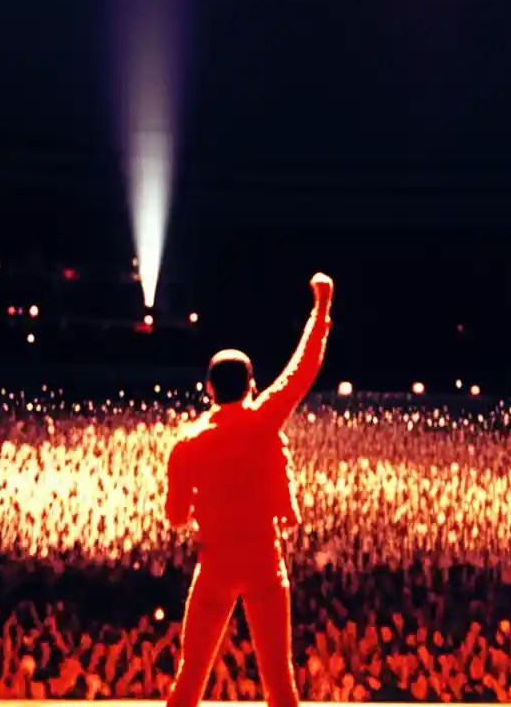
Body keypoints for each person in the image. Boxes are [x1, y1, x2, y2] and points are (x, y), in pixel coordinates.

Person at [163, 272, 335, 707]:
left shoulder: (187, 444)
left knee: (189, 680)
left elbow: (176, 516)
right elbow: (304, 366)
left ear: (208, 388)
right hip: (264, 562)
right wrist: (321, 307)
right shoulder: (264, 419)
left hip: (215, 566)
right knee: (279, 684)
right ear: (252, 383)